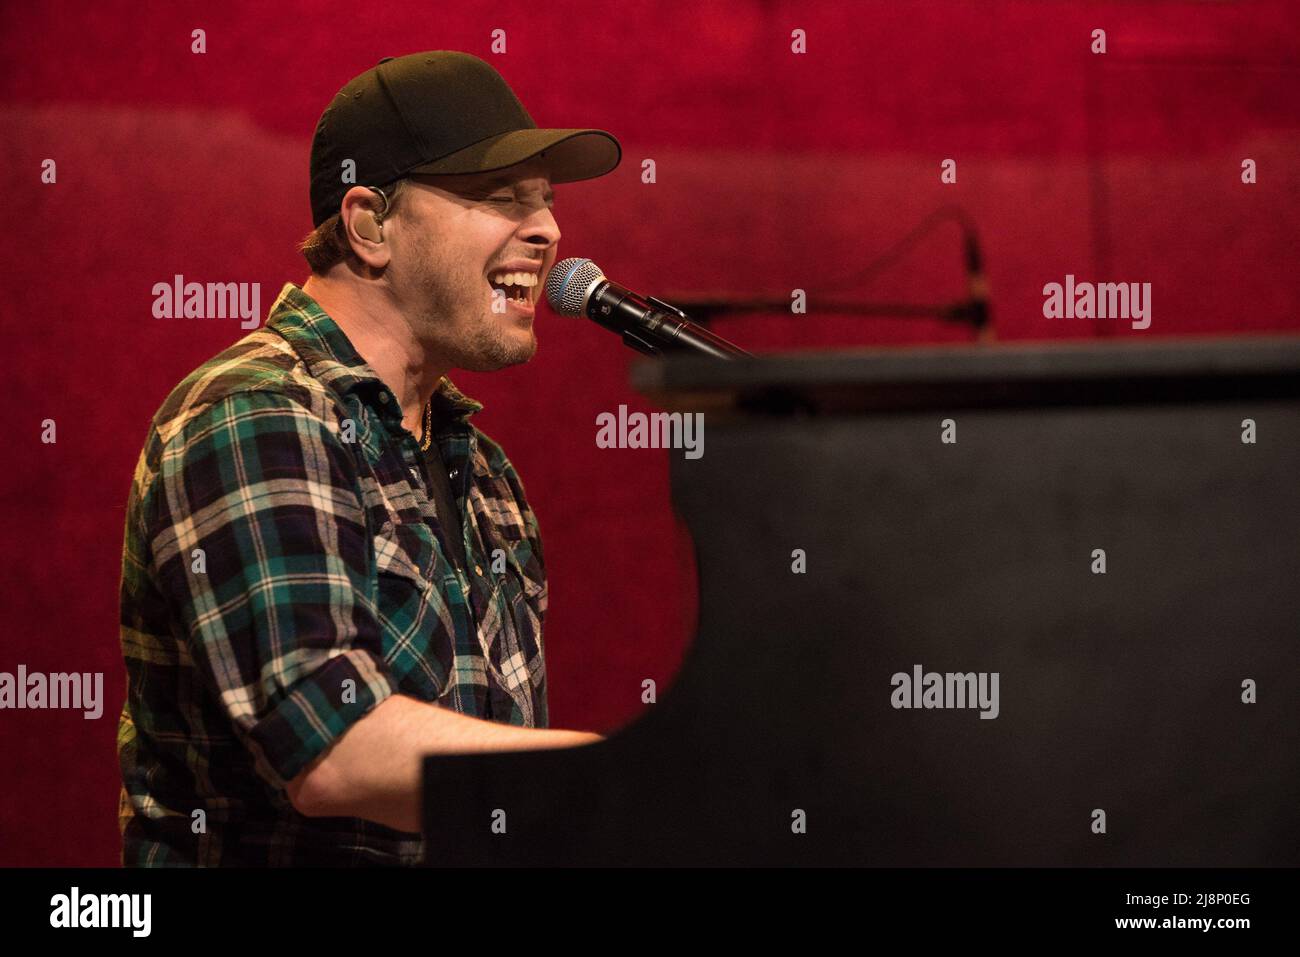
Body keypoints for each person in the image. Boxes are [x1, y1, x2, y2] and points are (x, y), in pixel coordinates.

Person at [116, 50, 622, 866]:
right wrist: (625, 776)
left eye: (548, 203)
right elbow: (336, 749)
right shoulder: (251, 413)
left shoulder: (485, 473)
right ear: (369, 224)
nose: (549, 231)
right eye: (502, 198)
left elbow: (483, 786)